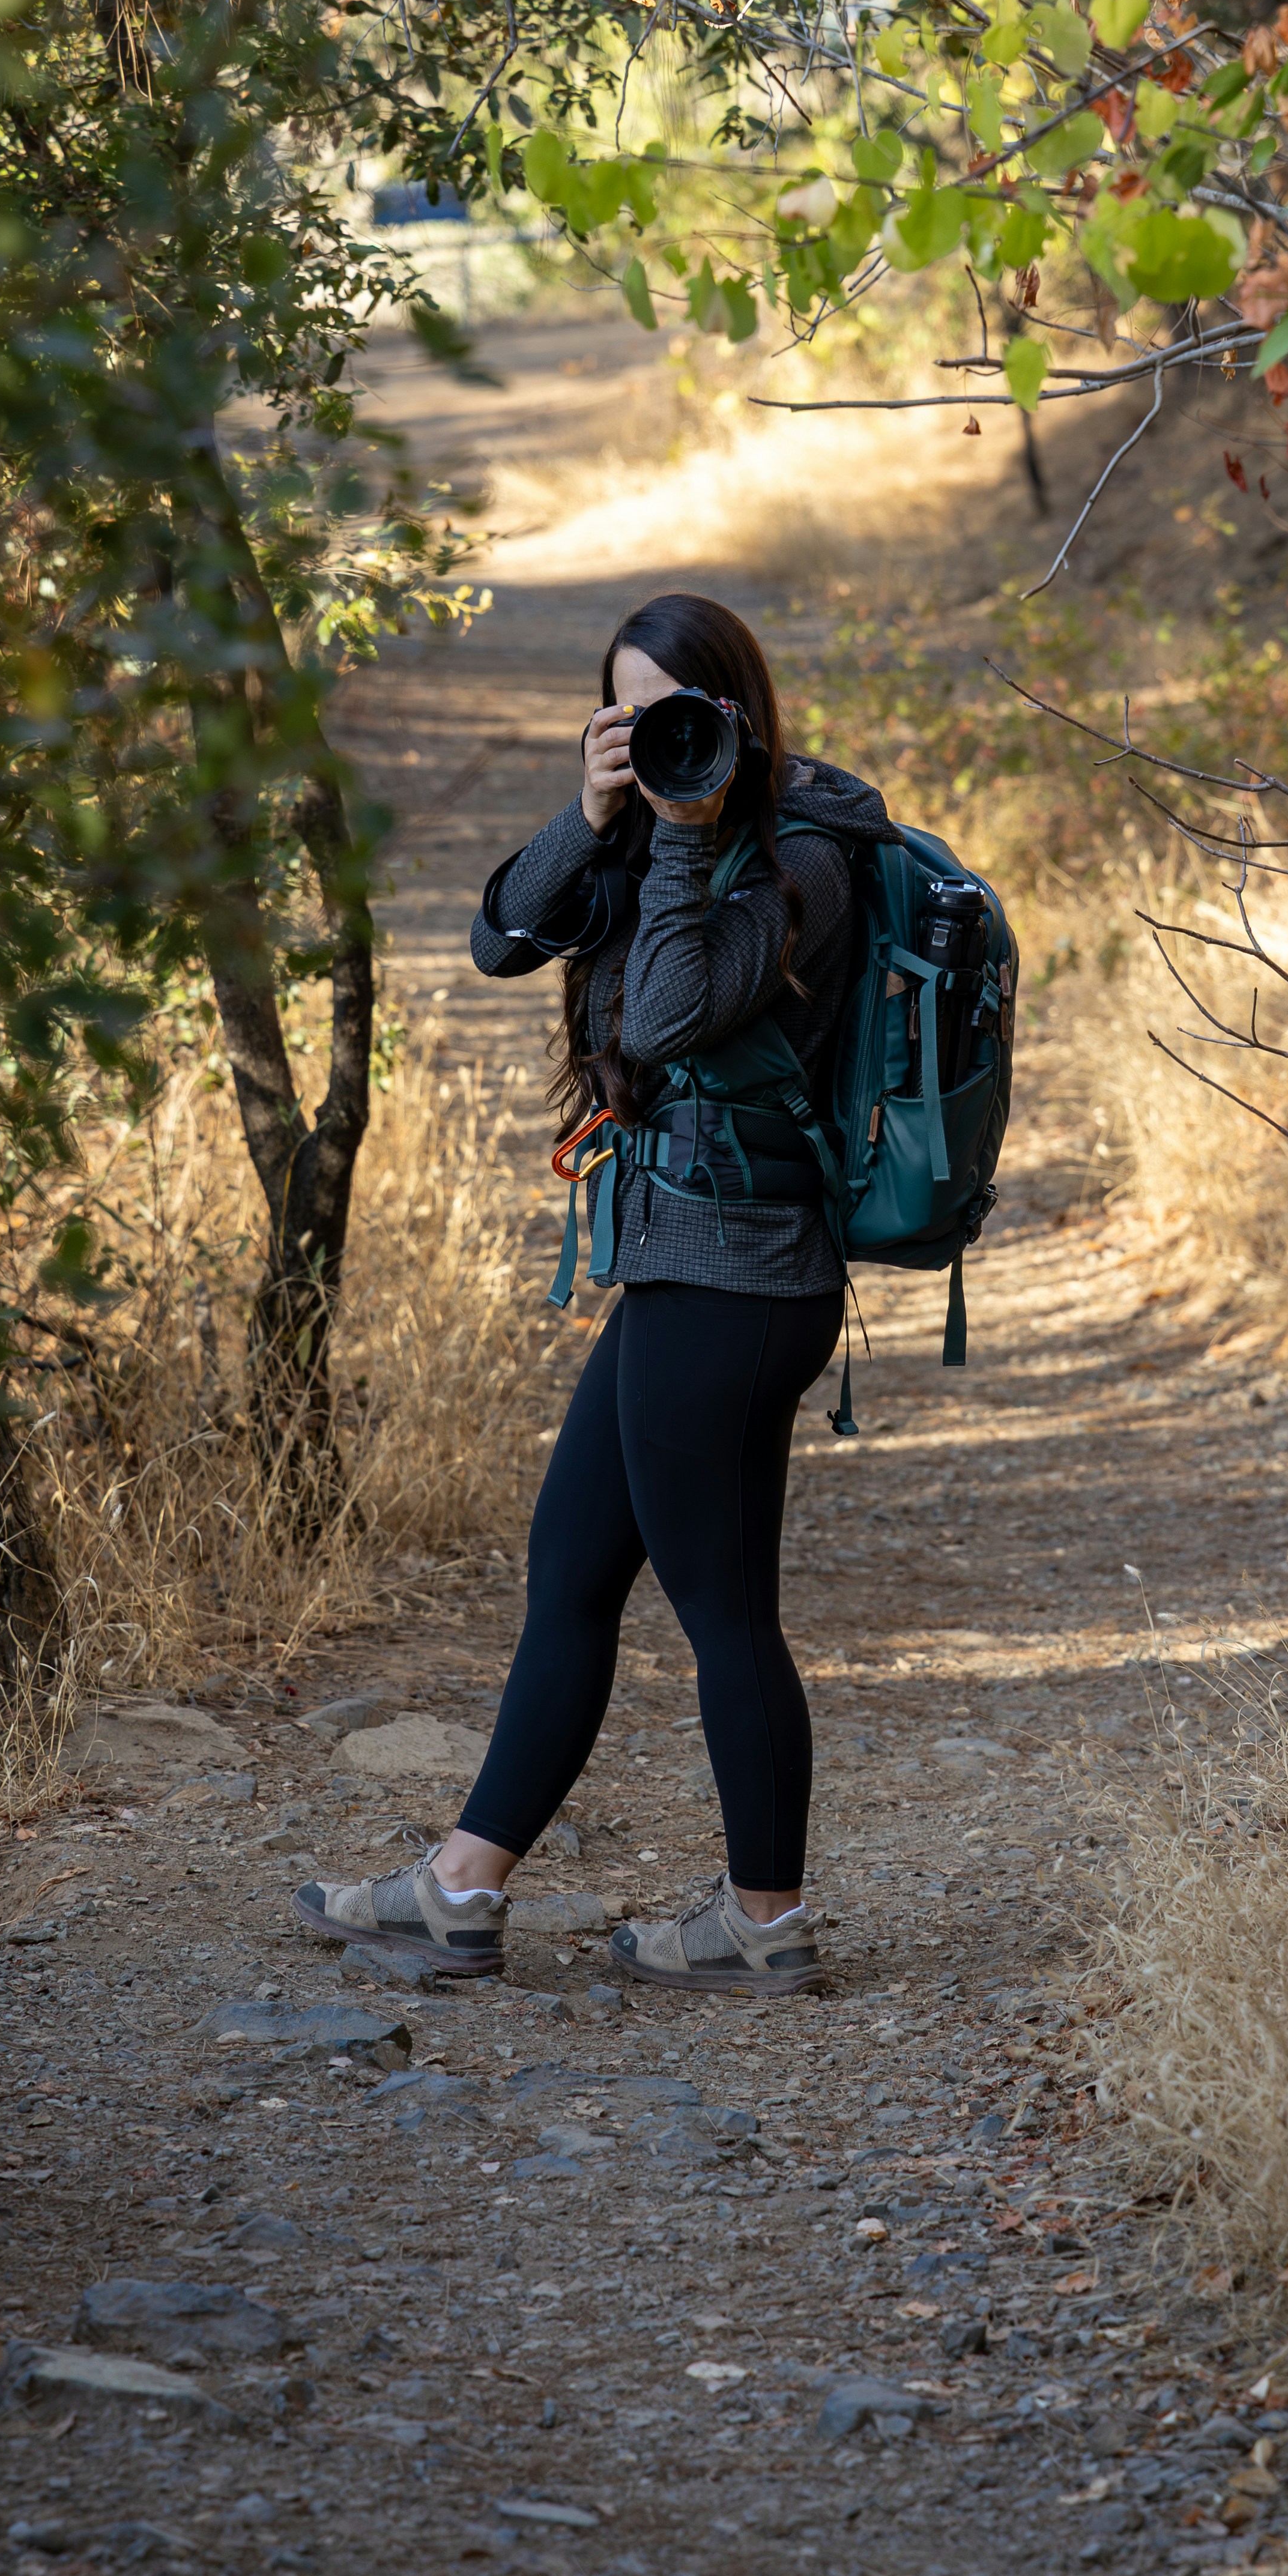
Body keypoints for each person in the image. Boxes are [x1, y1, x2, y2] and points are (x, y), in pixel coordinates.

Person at [291, 592, 886, 1998]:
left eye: (681, 718)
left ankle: (764, 1921)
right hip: (679, 1278)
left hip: (735, 1289)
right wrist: (595, 807)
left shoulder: (802, 864)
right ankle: (458, 1892)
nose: (660, 741)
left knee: (725, 1611)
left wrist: (681, 841)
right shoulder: (635, 825)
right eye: (626, 717)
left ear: (737, 717)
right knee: (568, 1571)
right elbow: (502, 935)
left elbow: (672, 1012)